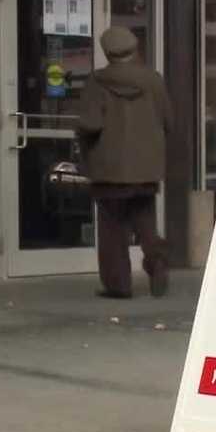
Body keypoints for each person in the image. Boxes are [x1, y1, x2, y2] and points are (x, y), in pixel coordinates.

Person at [75, 26, 172, 299]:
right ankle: (157, 258)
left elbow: (91, 124)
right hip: (146, 169)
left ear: (107, 52)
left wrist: (80, 138)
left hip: (109, 169)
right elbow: (168, 121)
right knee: (145, 221)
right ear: (135, 48)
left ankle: (118, 285)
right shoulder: (154, 81)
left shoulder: (97, 82)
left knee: (112, 228)